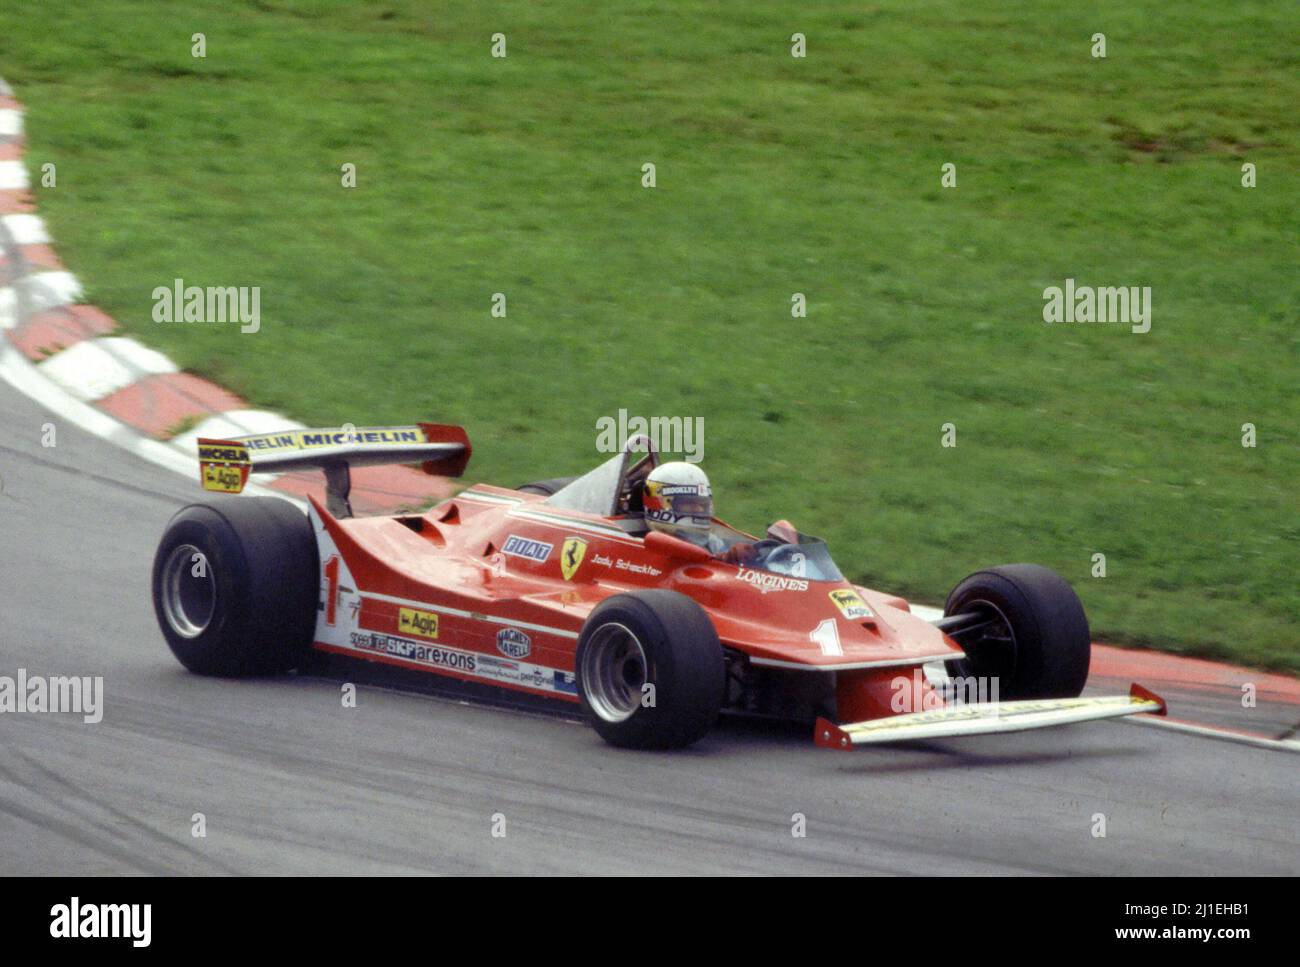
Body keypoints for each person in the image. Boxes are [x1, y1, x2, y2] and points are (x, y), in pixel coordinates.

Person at [642, 461, 767, 562]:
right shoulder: (644, 548)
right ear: (661, 505)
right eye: (689, 503)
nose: (700, 509)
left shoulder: (710, 541)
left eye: (703, 504)